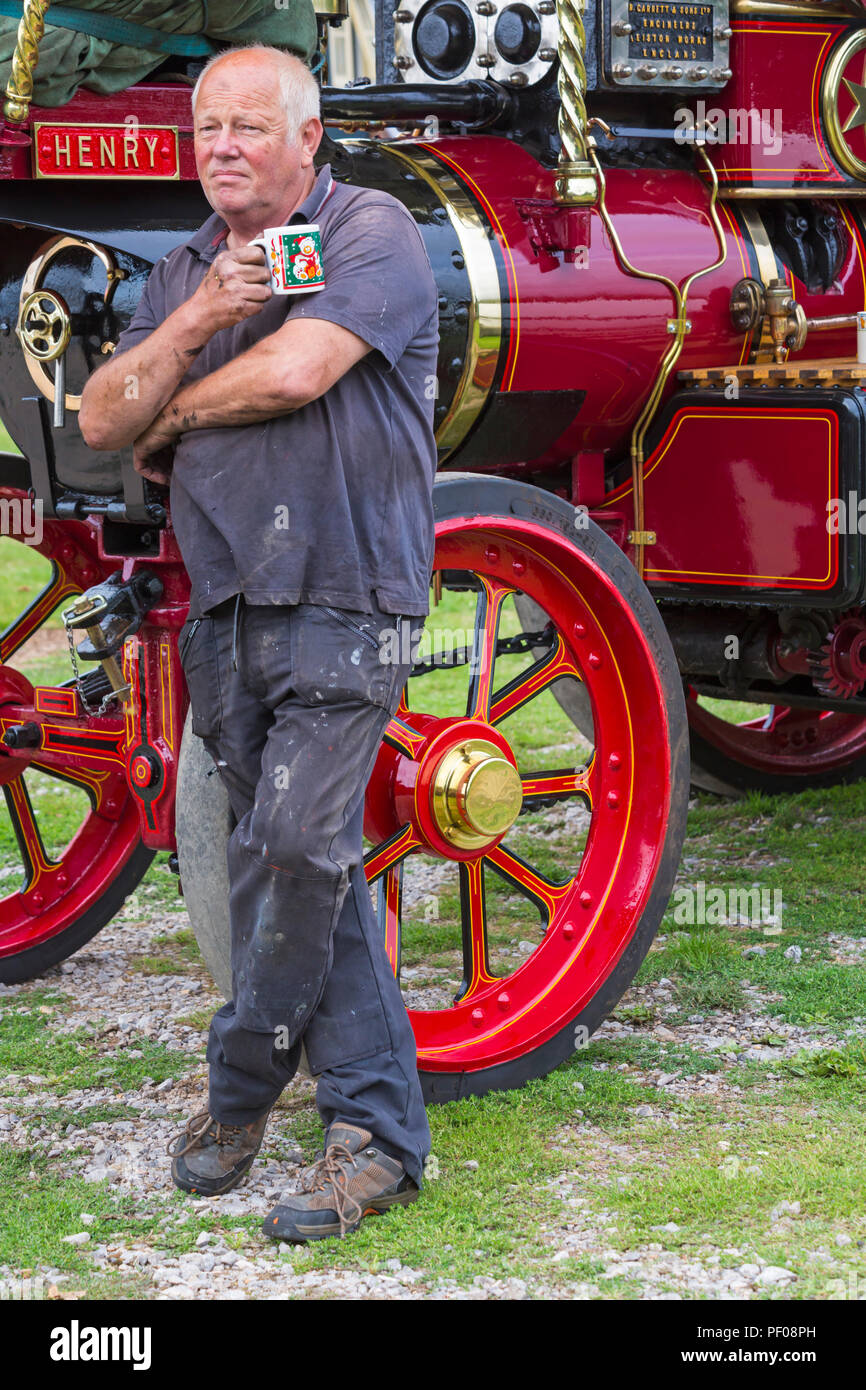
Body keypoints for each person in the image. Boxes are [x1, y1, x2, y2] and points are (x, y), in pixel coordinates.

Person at [79, 43, 438, 1243]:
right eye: (206, 132)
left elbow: (294, 369)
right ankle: (370, 1124)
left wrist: (172, 408)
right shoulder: (184, 267)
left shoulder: (369, 228)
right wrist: (194, 319)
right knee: (281, 854)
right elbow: (96, 416)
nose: (223, 148)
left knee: (292, 835)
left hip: (350, 588)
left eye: (247, 127)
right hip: (229, 599)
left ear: (305, 135)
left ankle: (246, 1090)